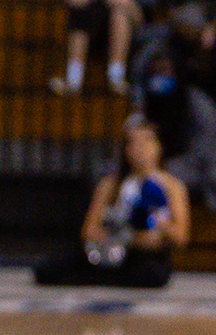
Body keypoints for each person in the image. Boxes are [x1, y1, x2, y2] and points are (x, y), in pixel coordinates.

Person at [34, 121, 190, 288]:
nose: (140, 148)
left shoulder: (172, 186)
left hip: (145, 255)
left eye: (147, 141)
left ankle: (108, 278)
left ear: (159, 147)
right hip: (112, 251)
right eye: (133, 142)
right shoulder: (111, 185)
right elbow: (89, 230)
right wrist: (116, 235)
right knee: (48, 269)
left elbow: (181, 237)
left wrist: (158, 226)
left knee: (152, 274)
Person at [137, 55, 216, 209]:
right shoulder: (148, 102)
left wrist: (163, 170)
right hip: (157, 171)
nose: (159, 77)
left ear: (177, 73)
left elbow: (206, 153)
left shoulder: (198, 105)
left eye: (164, 71)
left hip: (202, 175)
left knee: (157, 183)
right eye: (155, 72)